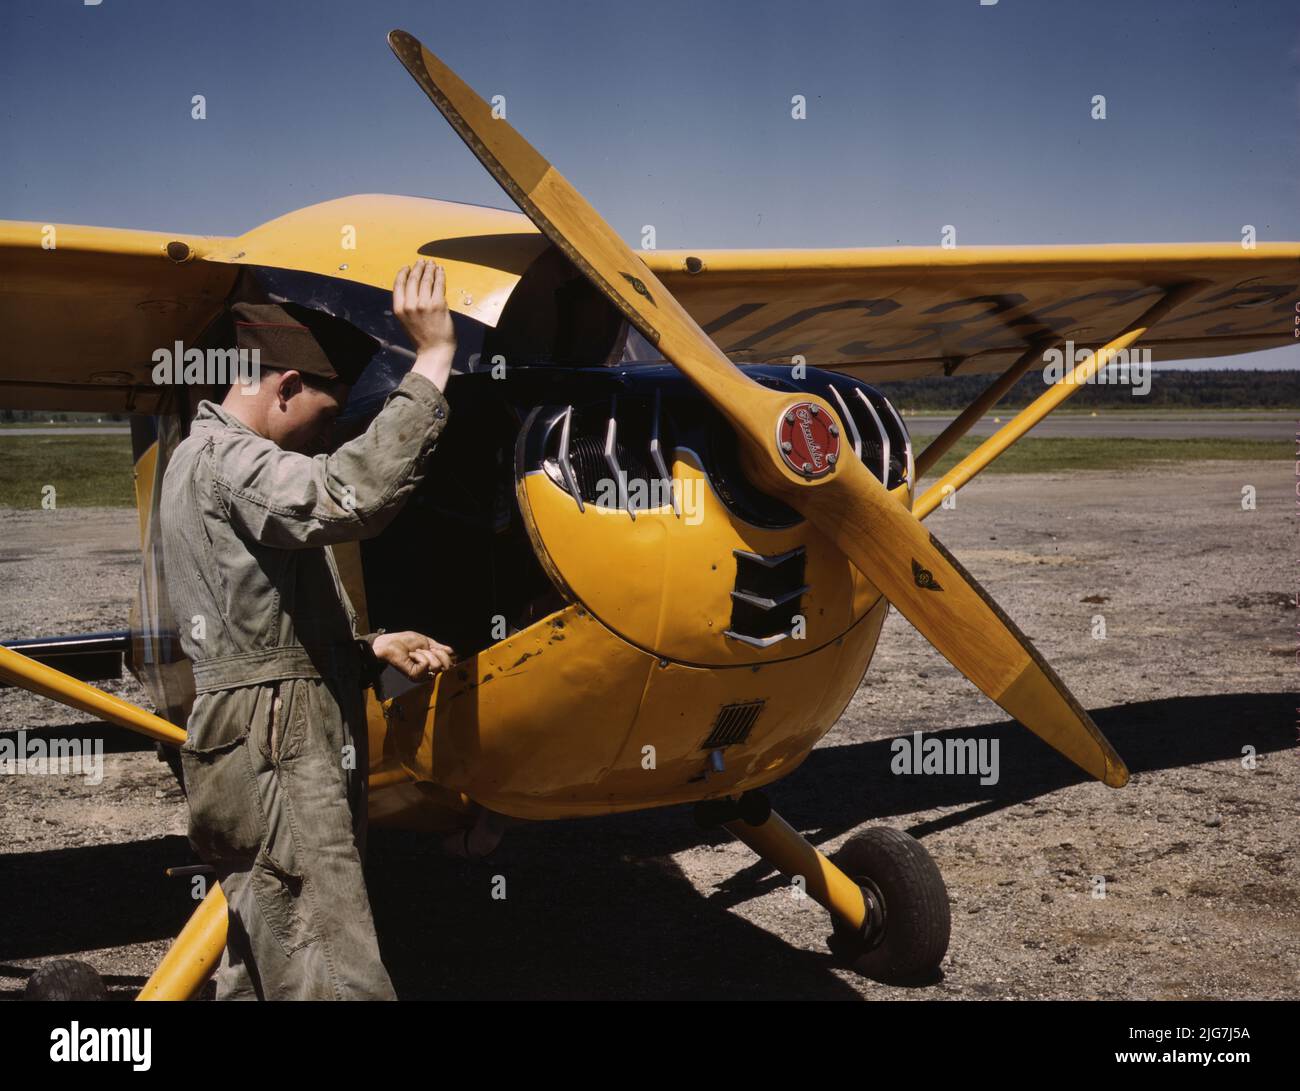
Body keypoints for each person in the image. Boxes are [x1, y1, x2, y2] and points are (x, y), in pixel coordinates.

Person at [161, 260, 457, 999]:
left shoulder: (207, 461)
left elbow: (259, 623)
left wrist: (366, 650)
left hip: (258, 733)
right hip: (275, 743)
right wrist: (432, 361)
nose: (318, 440)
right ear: (286, 386)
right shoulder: (232, 459)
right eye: (324, 418)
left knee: (271, 958)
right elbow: (345, 494)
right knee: (332, 970)